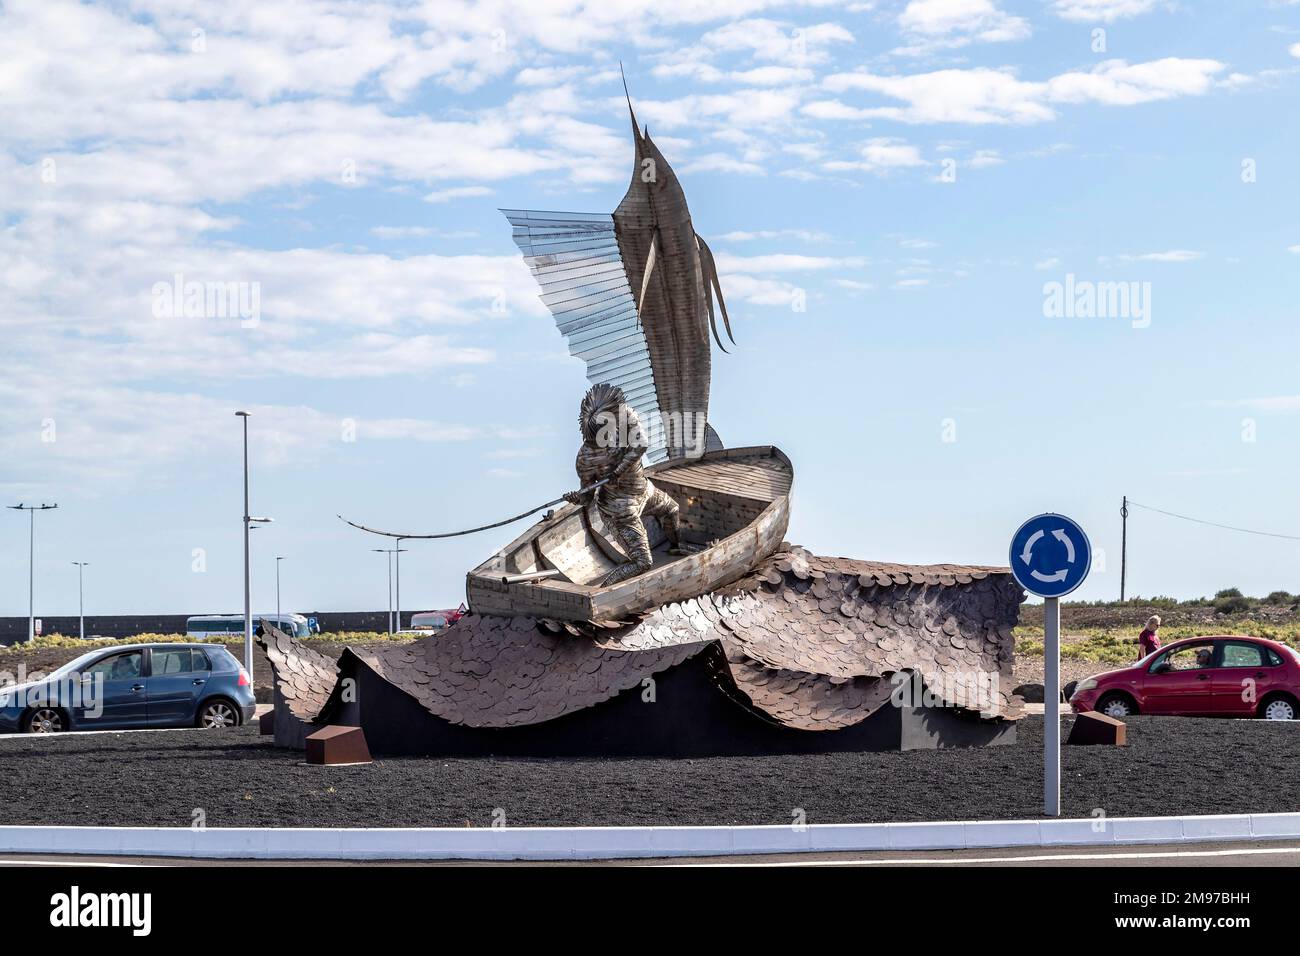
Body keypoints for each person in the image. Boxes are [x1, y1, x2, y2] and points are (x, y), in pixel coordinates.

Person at [563, 383, 684, 586]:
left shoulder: (623, 414)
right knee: (643, 563)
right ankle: (601, 591)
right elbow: (586, 498)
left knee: (672, 509)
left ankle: (676, 547)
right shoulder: (586, 458)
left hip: (643, 489)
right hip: (619, 509)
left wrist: (618, 470)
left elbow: (641, 444)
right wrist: (578, 497)